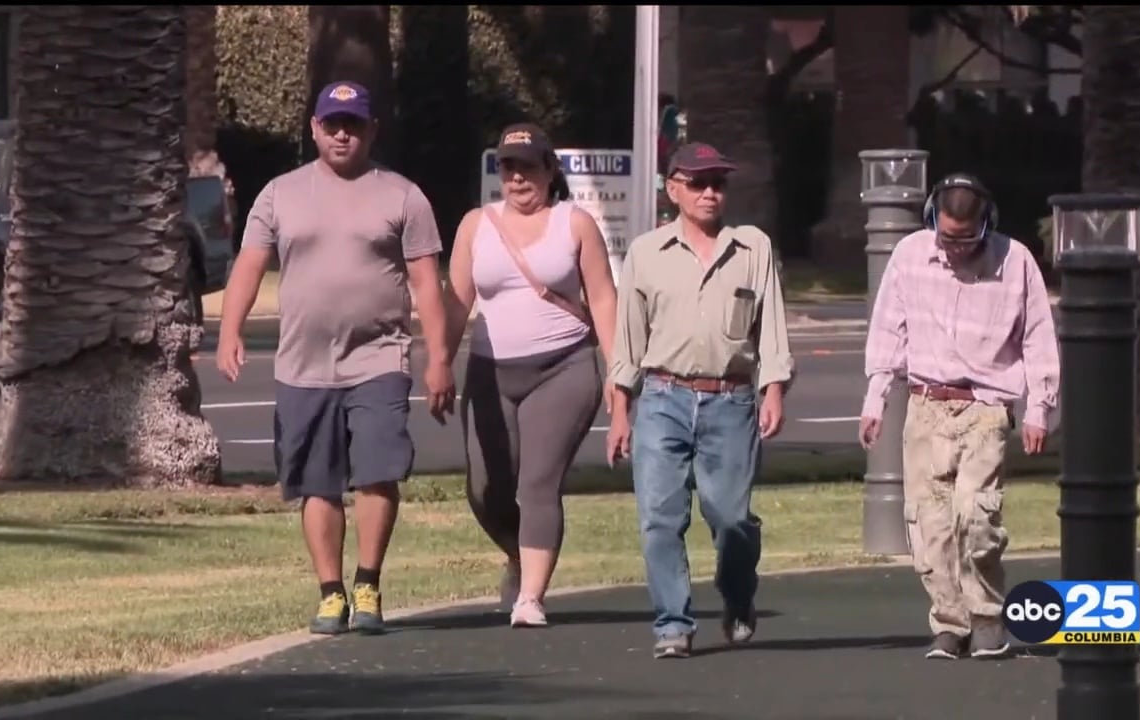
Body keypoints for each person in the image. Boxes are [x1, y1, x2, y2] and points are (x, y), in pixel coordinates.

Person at [216, 80, 455, 636]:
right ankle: (331, 592)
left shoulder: (403, 195)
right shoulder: (279, 194)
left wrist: (439, 356)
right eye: (332, 124)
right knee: (316, 483)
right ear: (314, 129)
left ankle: (368, 582)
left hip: (378, 357)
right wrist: (230, 329)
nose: (342, 133)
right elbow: (249, 265)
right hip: (302, 364)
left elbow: (426, 283)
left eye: (353, 124)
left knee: (378, 472)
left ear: (371, 130)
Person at [858, 173, 1060, 660]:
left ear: (986, 225)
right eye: (946, 237)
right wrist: (875, 396)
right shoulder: (909, 255)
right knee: (932, 525)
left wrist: (1038, 408)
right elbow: (889, 326)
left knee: (976, 516)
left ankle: (988, 615)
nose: (954, 248)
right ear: (932, 221)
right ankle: (950, 621)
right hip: (925, 405)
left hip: (986, 407)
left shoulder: (1016, 262)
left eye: (966, 239)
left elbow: (1037, 337)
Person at [606, 142, 796, 659]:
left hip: (730, 400)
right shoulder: (647, 253)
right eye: (698, 182)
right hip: (663, 398)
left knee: (731, 517)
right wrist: (621, 409)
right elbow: (627, 340)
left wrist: (772, 389)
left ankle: (737, 596)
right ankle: (673, 624)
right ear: (674, 189)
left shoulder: (752, 247)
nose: (711, 192)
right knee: (659, 517)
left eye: (719, 182)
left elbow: (771, 328)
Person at [445, 123, 619, 627]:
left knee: (537, 483)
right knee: (485, 490)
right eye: (508, 166)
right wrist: (438, 363)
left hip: (563, 367)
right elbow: (457, 303)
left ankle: (531, 598)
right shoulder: (475, 225)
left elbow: (603, 298)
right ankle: (521, 553)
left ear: (549, 170)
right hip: (488, 373)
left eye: (528, 166)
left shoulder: (575, 223)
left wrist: (617, 372)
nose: (518, 177)